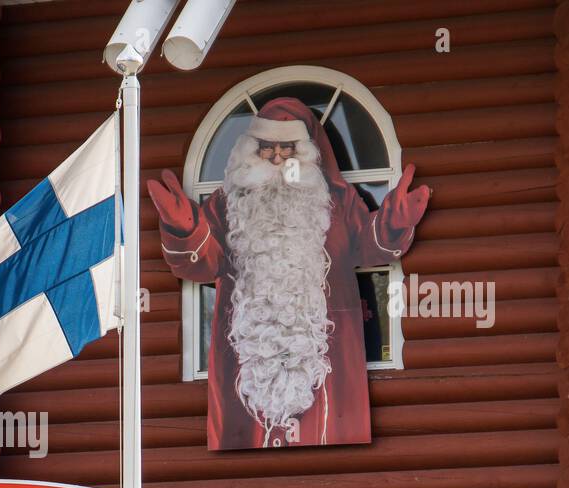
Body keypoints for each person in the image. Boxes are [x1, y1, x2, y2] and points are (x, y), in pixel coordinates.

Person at [148, 97, 430, 450]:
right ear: (251, 151)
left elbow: (366, 246)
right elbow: (202, 261)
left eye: (288, 147)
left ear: (306, 153)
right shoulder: (225, 205)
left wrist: (393, 222)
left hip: (325, 371)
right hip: (249, 371)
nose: (278, 157)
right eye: (267, 147)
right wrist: (185, 227)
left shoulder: (337, 203)